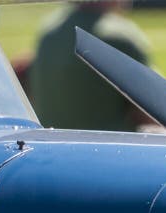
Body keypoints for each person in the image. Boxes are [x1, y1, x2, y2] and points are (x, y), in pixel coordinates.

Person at [28, 1, 152, 131]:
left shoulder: (48, 32)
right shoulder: (121, 36)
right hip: (109, 146)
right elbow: (152, 108)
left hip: (53, 143)